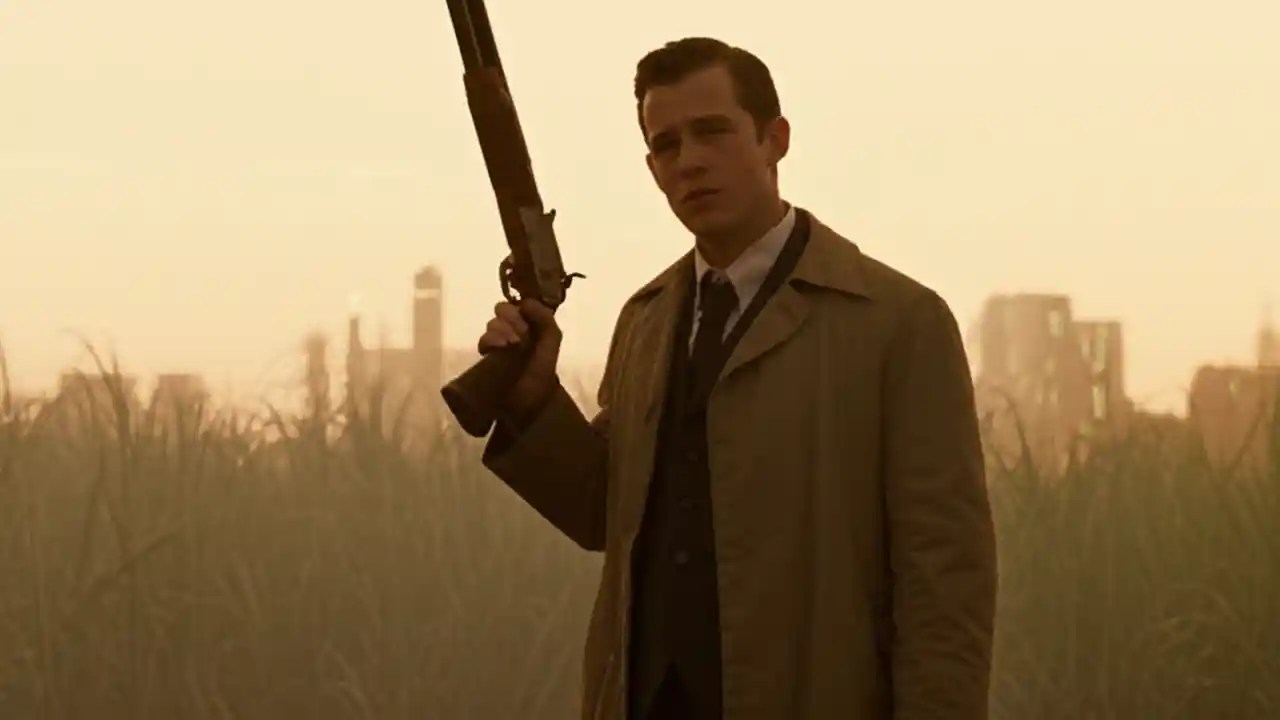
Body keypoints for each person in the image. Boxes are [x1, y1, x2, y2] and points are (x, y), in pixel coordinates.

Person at [471, 36, 997, 720]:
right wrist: (534, 398)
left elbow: (945, 580)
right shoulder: (648, 319)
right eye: (666, 145)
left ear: (774, 139)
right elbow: (611, 512)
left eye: (712, 132)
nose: (689, 161)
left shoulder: (897, 322)